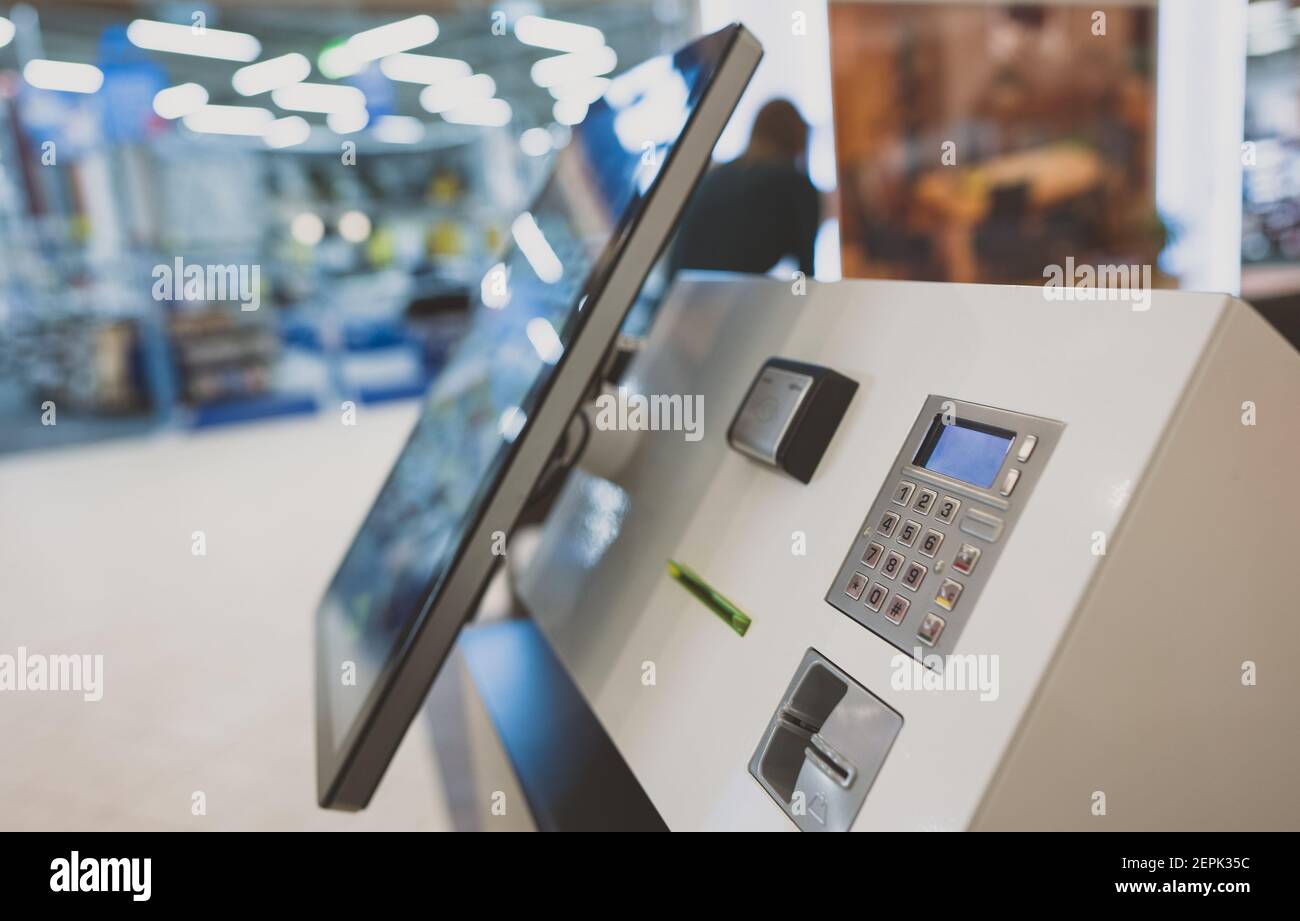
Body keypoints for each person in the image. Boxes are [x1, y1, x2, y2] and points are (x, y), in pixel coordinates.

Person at [668, 99, 820, 278]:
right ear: (799, 136)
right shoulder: (796, 185)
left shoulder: (716, 176)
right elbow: (804, 273)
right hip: (728, 297)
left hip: (679, 293)